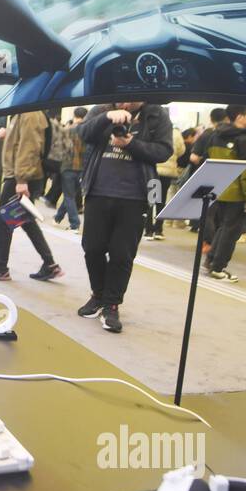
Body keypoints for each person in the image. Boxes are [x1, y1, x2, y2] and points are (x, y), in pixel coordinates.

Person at [75, 101, 174, 332]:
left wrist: (131, 143)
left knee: (122, 254)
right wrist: (108, 116)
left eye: (132, 100)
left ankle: (111, 304)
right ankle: (98, 295)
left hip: (136, 195)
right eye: (122, 100)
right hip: (97, 191)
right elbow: (83, 133)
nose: (126, 103)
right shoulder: (102, 109)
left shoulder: (156, 114)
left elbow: (163, 151)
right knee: (93, 248)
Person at [0, 109, 63, 283]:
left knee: (3, 219)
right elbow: (22, 141)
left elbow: (30, 148)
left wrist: (21, 180)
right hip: (20, 175)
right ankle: (50, 264)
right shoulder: (23, 113)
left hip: (22, 177)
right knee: (25, 220)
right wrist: (9, 136)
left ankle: (1, 268)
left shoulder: (31, 114)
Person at [195, 105, 246, 282]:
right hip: (236, 193)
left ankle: (210, 261)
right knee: (231, 232)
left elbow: (205, 160)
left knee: (222, 228)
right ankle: (218, 267)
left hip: (217, 189)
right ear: (239, 116)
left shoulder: (215, 135)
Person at [145, 118, 184, 240]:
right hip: (168, 172)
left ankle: (149, 230)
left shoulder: (152, 129)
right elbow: (181, 150)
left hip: (154, 169)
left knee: (152, 200)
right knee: (161, 201)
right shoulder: (176, 133)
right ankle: (158, 230)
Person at [53, 107, 88, 230]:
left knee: (69, 196)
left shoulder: (67, 130)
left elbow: (59, 149)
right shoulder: (88, 130)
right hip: (83, 168)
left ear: (74, 115)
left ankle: (74, 224)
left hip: (68, 166)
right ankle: (58, 217)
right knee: (71, 195)